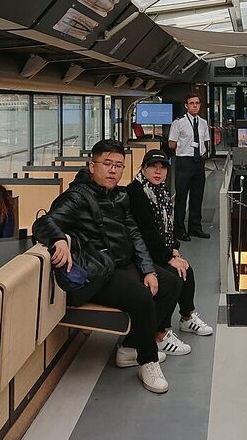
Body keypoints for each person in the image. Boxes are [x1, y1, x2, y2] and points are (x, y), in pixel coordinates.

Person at [33, 140, 182, 394]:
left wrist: (148, 269)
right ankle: (147, 361)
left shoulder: (120, 195)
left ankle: (130, 347)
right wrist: (59, 239)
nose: (113, 170)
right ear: (92, 166)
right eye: (107, 164)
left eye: (119, 165)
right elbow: (44, 222)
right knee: (142, 297)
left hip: (124, 264)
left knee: (172, 283)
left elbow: (134, 234)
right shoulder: (77, 197)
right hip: (99, 272)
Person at [127, 149, 214, 356]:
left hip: (157, 249)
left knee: (186, 269)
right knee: (174, 277)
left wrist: (174, 250)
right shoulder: (137, 192)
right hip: (140, 253)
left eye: (162, 168)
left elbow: (167, 227)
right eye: (153, 167)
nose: (158, 172)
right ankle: (160, 333)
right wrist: (168, 258)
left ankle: (187, 317)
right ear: (143, 168)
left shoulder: (161, 191)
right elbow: (147, 233)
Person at [169, 94, 210, 240]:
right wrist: (184, 149)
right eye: (192, 103)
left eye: (197, 103)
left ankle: (195, 227)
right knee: (181, 197)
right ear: (186, 105)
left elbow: (206, 141)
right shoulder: (178, 123)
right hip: (184, 162)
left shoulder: (203, 123)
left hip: (198, 161)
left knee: (197, 196)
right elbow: (172, 144)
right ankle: (179, 229)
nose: (195, 106)